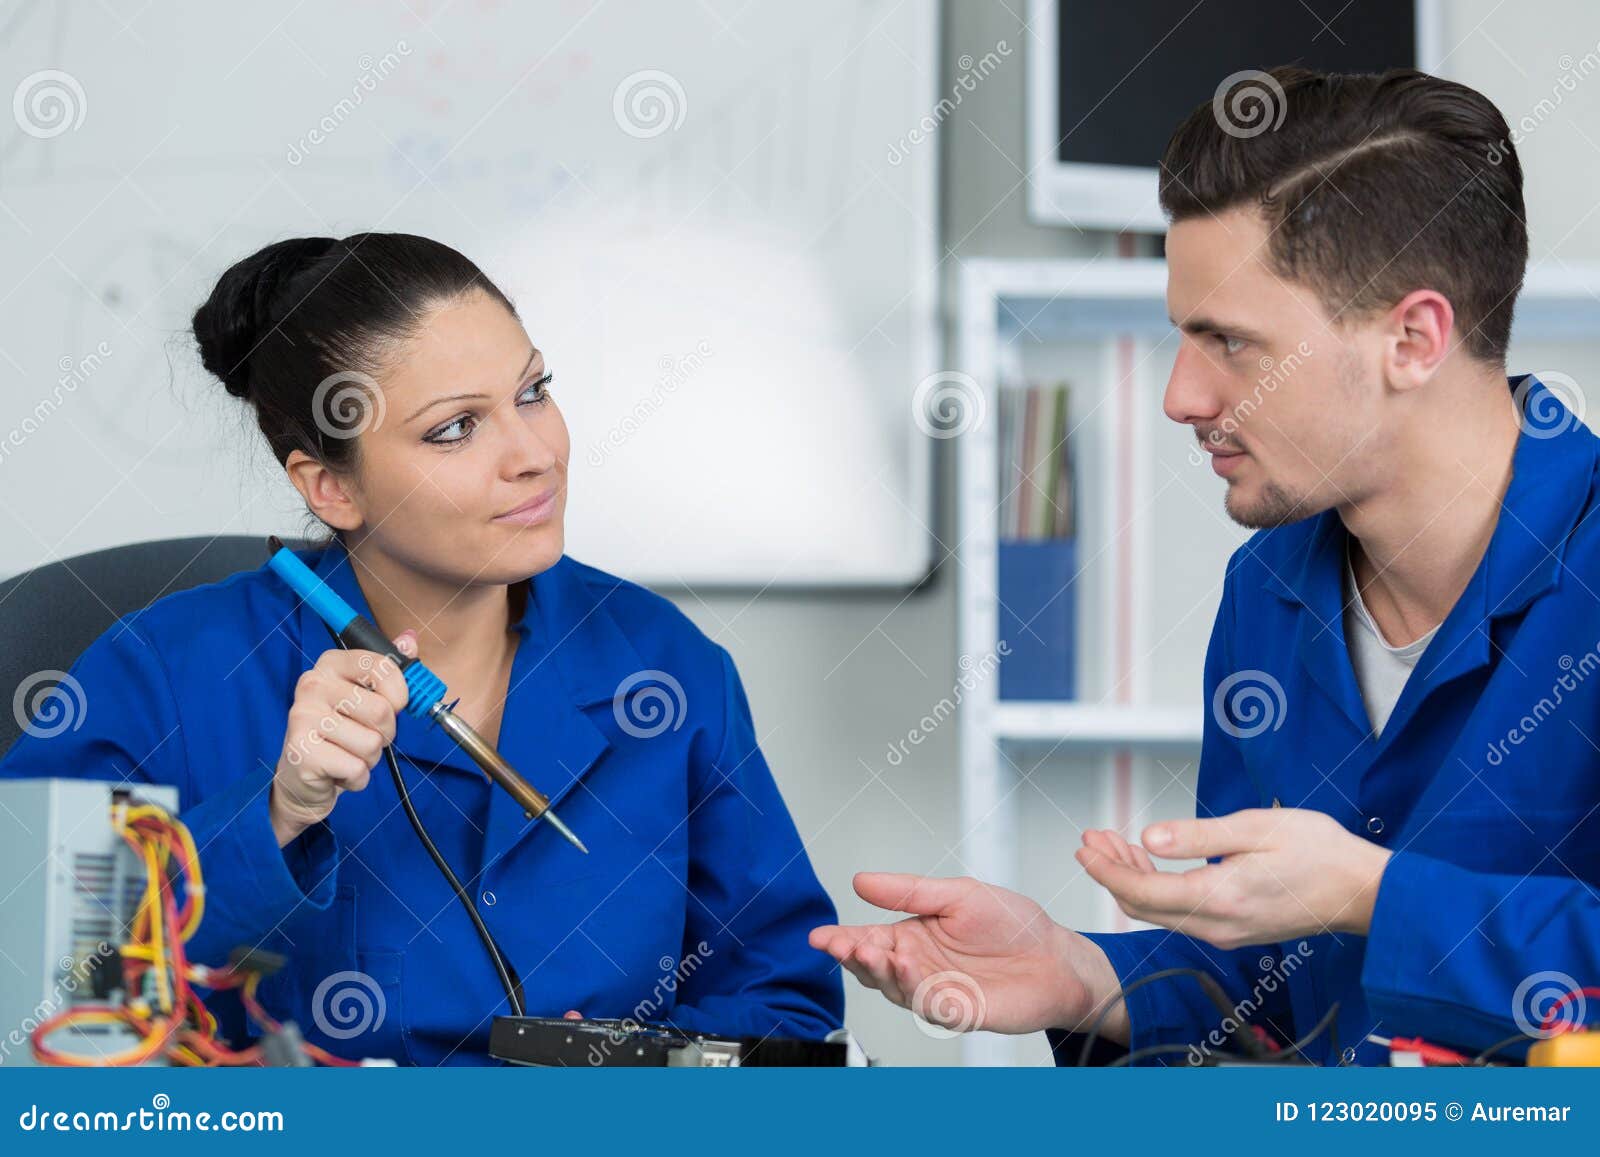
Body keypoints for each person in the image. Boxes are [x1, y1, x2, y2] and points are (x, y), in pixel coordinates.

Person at [812, 67, 1600, 1065]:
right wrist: (1081, 974)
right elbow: (1274, 996)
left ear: (1411, 337)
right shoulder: (1269, 589)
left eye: (1228, 341)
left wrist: (1369, 891)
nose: (1181, 396)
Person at [0, 233, 842, 1065]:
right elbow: (43, 1001)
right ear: (329, 486)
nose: (535, 454)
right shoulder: (163, 672)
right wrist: (277, 811)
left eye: (534, 391)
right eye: (455, 429)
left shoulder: (665, 665)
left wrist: (648, 1072)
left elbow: (781, 998)